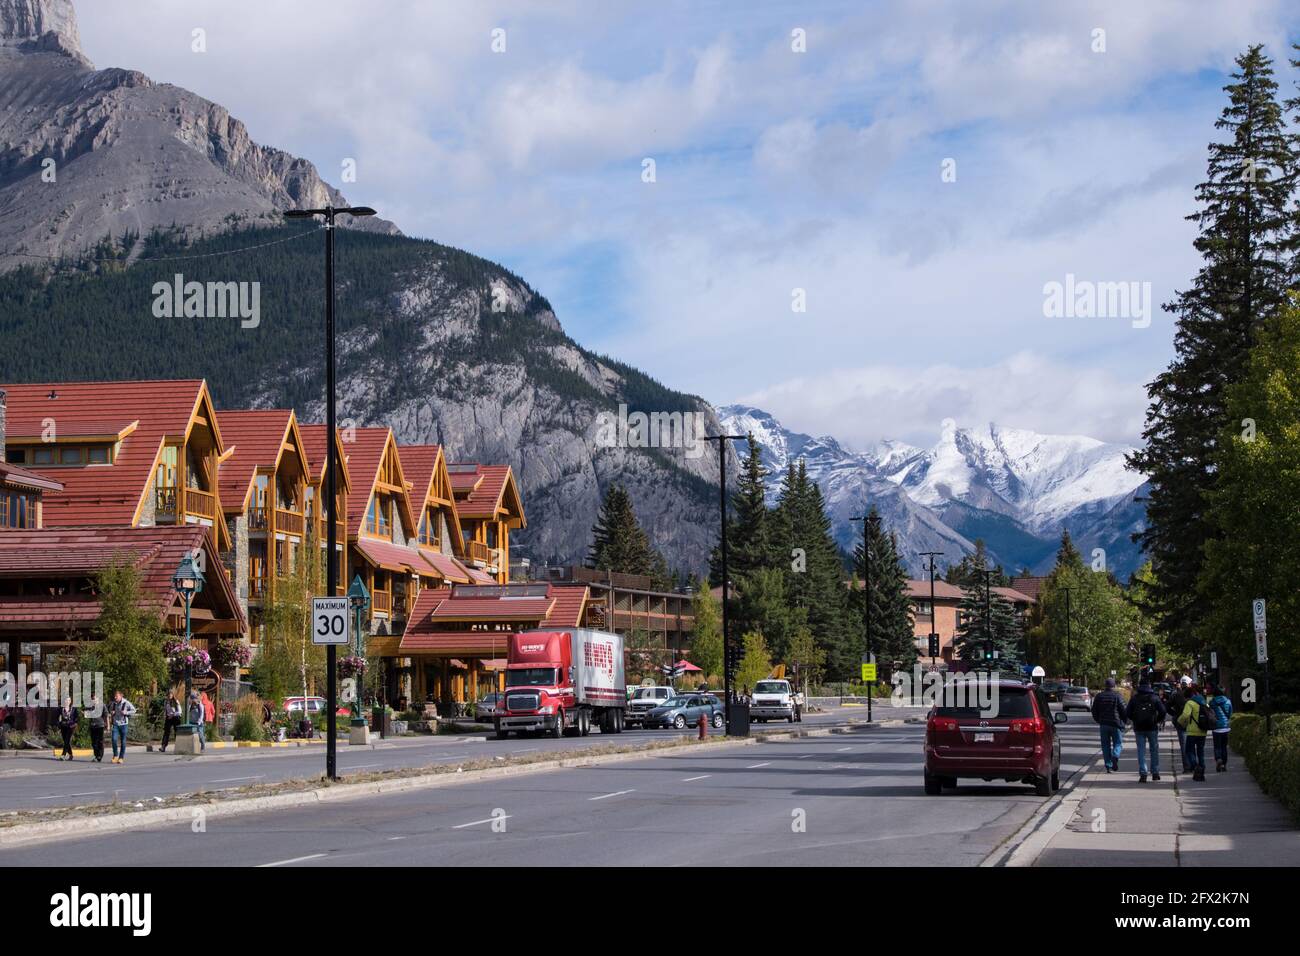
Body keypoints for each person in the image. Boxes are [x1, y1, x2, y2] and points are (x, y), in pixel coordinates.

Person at [1128, 679, 1167, 783]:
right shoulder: (1154, 697)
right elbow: (1163, 711)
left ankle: (1143, 773)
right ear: (1149, 685)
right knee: (1154, 750)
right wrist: (1157, 720)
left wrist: (1135, 719)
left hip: (1139, 728)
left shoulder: (1134, 698)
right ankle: (1155, 772)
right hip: (1152, 727)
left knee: (1141, 751)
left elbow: (1128, 713)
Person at [1091, 677, 1129, 773]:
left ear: (1105, 686)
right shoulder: (1117, 696)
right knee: (1118, 743)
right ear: (1114, 686)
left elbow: (1094, 710)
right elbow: (1124, 710)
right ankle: (1115, 756)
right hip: (1116, 723)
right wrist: (1125, 721)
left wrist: (1098, 720)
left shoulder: (1099, 696)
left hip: (1104, 724)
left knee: (1105, 745)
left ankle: (1108, 765)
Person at [1177, 684, 1210, 781]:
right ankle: (1202, 768)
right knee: (1200, 751)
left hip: (1192, 731)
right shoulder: (1203, 702)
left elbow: (1185, 715)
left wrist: (1180, 722)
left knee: (1189, 751)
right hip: (1203, 731)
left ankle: (1196, 767)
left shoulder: (1190, 703)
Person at [1207, 683, 1234, 772]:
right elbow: (1230, 713)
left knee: (1217, 746)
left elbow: (1210, 714)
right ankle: (1224, 764)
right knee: (1224, 746)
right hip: (1226, 727)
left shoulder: (1212, 702)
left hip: (1216, 727)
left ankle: (1218, 759)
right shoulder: (1228, 701)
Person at [1168, 677, 1191, 772]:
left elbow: (1167, 707)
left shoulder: (1176, 695)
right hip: (1193, 721)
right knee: (1195, 744)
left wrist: (1175, 715)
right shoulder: (1194, 694)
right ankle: (1196, 764)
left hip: (1180, 722)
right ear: (1189, 684)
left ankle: (1187, 767)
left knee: (1184, 745)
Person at [109, 690, 136, 764]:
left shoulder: (126, 703)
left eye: (116, 696)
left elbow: (134, 710)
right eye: (115, 696)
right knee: (114, 739)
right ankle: (115, 756)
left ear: (121, 696)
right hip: (115, 724)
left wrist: (126, 712)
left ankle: (121, 758)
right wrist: (112, 712)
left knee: (123, 742)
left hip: (124, 724)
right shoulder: (113, 703)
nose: (115, 697)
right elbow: (111, 710)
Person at [86, 693, 105, 763]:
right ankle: (96, 755)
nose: (93, 700)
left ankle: (99, 756)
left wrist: (108, 725)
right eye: (92, 699)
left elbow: (105, 715)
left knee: (100, 741)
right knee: (94, 742)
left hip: (100, 725)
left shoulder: (102, 705)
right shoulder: (90, 706)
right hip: (92, 726)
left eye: (94, 698)